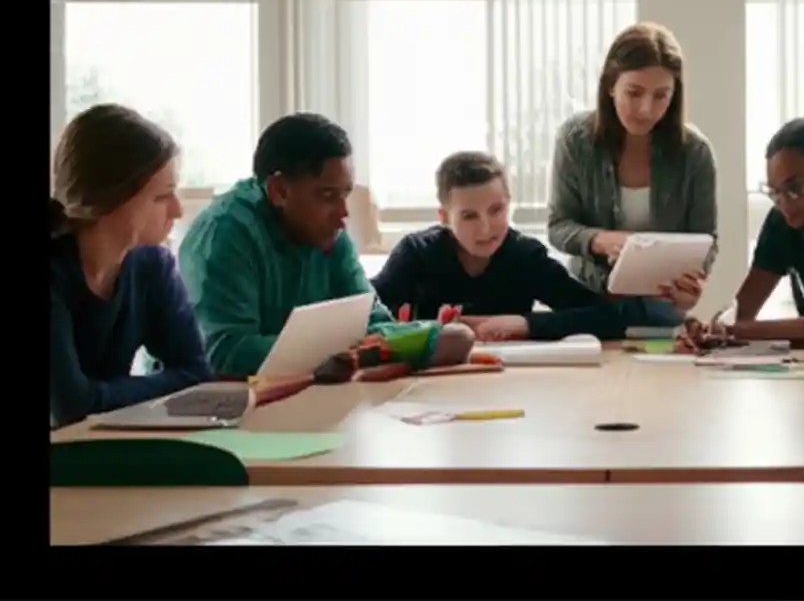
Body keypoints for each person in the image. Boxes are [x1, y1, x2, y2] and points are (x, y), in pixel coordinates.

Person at [179, 112, 473, 376]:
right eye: (327, 195)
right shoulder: (225, 234)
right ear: (279, 191)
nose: (343, 213)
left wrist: (412, 340)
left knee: (455, 338)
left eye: (345, 193)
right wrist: (354, 351)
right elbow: (227, 354)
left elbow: (374, 322)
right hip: (226, 404)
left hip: (308, 394)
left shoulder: (329, 232)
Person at [50, 104, 212, 428]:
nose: (178, 210)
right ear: (109, 199)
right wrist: (160, 387)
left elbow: (197, 373)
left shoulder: (152, 265)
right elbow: (70, 407)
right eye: (162, 196)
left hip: (100, 441)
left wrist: (98, 396)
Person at [547, 21, 717, 328]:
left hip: (661, 310)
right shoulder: (575, 140)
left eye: (661, 95)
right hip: (587, 303)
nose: (646, 109)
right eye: (634, 93)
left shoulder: (695, 153)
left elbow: (706, 241)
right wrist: (602, 241)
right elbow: (558, 226)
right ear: (611, 85)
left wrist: (691, 286)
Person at [372, 152, 624, 341]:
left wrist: (524, 324)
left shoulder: (525, 256)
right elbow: (365, 312)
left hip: (508, 378)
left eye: (496, 210)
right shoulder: (416, 254)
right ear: (445, 218)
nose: (486, 229)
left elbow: (607, 316)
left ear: (509, 204)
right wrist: (417, 330)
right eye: (469, 216)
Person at [683, 117, 804, 345]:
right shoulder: (783, 217)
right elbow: (742, 309)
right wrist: (716, 325)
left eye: (795, 188)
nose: (784, 202)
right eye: (774, 192)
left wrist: (734, 330)